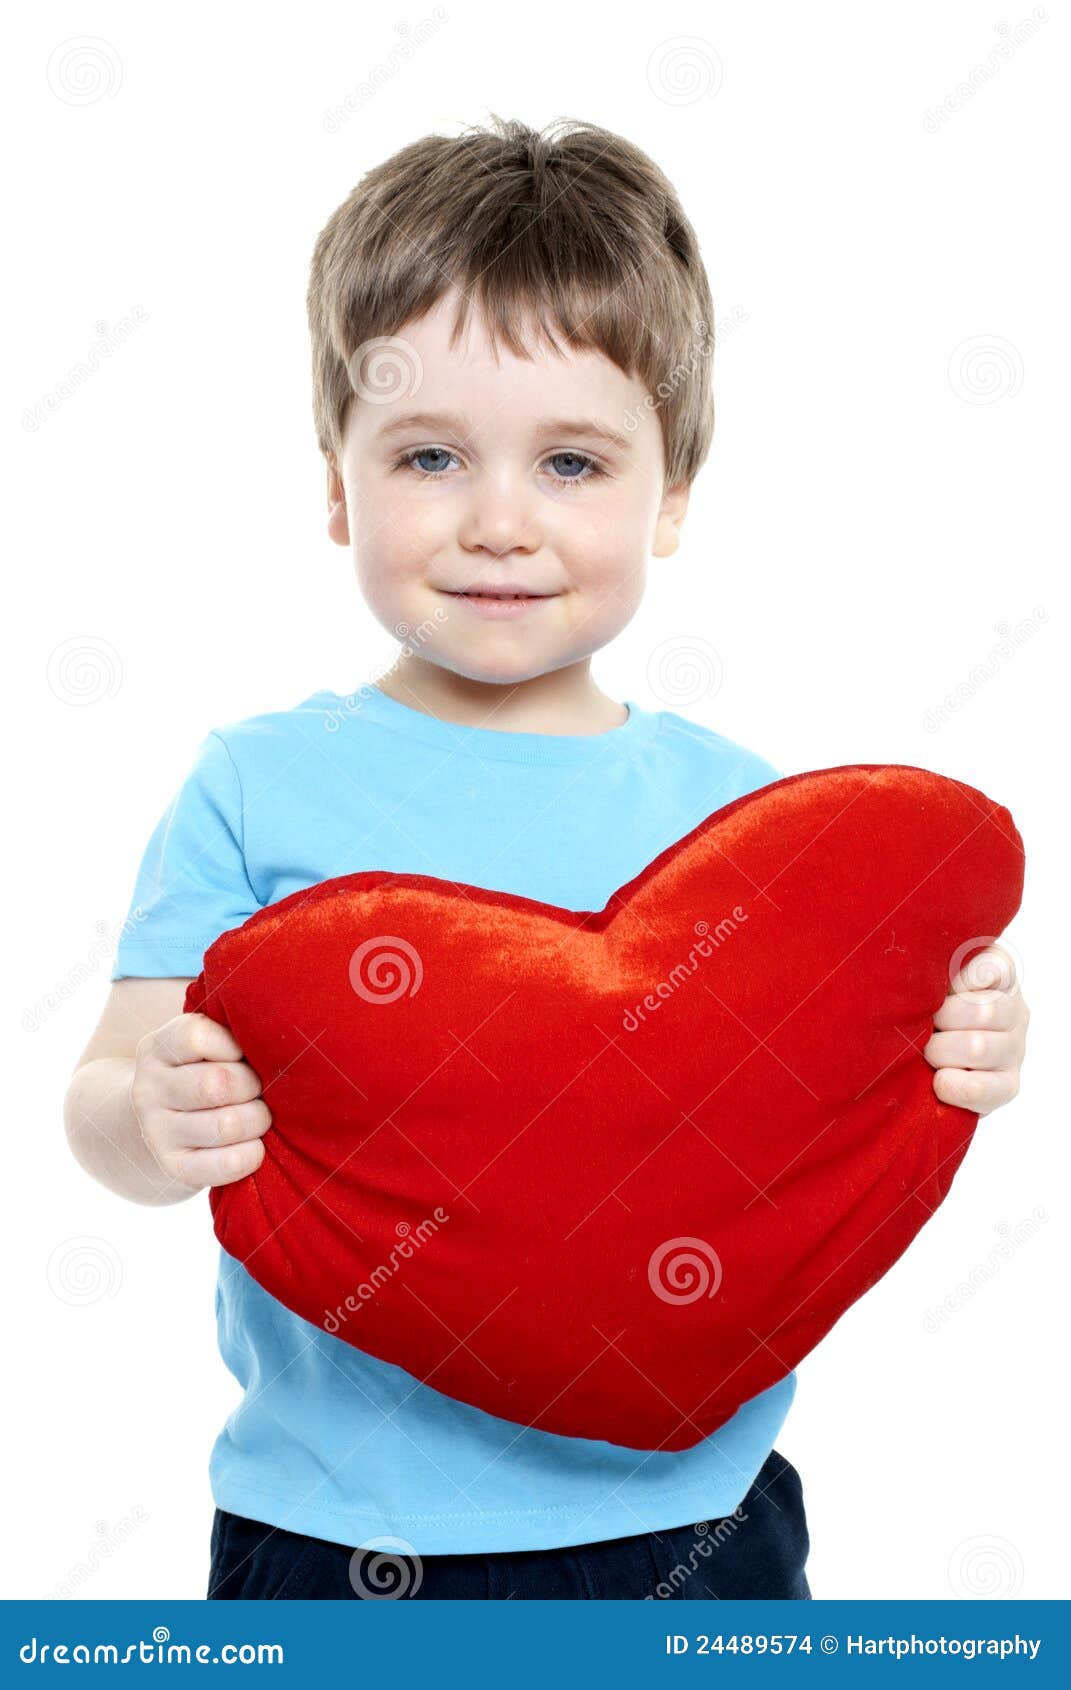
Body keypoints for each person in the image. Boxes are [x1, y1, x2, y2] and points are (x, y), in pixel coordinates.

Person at [64, 116, 1029, 1601]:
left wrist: (959, 1039)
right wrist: (154, 1114)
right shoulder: (258, 785)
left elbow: (824, 1111)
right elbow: (109, 1089)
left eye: (573, 461)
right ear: (337, 483)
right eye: (430, 455)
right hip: (339, 1536)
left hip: (698, 1531)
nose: (499, 519)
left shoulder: (761, 829)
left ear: (675, 494)